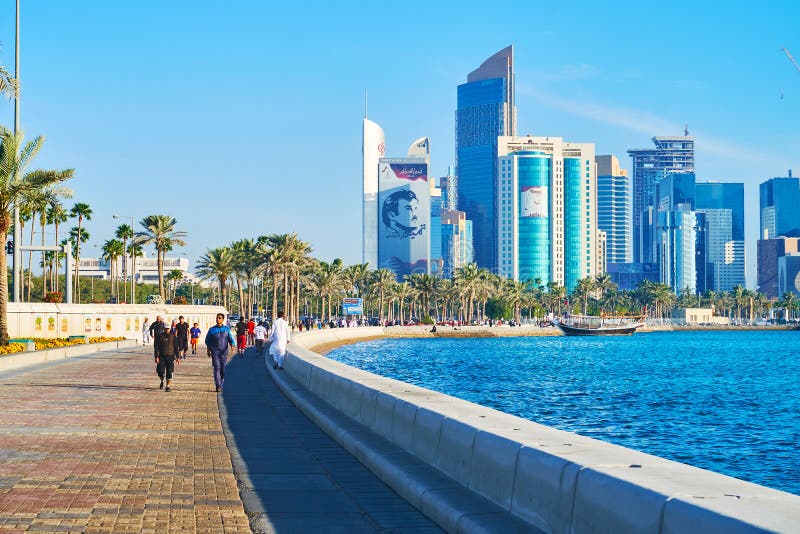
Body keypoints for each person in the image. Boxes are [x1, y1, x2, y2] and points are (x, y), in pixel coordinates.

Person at [205, 313, 235, 392]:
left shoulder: (226, 329)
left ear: (223, 319)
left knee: (223, 369)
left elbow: (230, 338)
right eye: (217, 318)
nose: (218, 319)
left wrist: (232, 345)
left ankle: (221, 383)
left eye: (219, 318)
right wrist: (208, 350)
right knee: (217, 367)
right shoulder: (212, 330)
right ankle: (218, 386)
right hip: (215, 352)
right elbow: (207, 340)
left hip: (224, 352)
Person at [156, 326, 180, 392]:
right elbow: (156, 347)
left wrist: (178, 357)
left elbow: (176, 347)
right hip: (161, 356)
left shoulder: (173, 336)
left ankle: (168, 386)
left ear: (170, 329)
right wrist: (156, 356)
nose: (167, 330)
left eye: (168, 329)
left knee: (170, 372)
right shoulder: (160, 336)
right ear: (164, 329)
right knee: (160, 371)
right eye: (166, 329)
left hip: (170, 356)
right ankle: (162, 380)